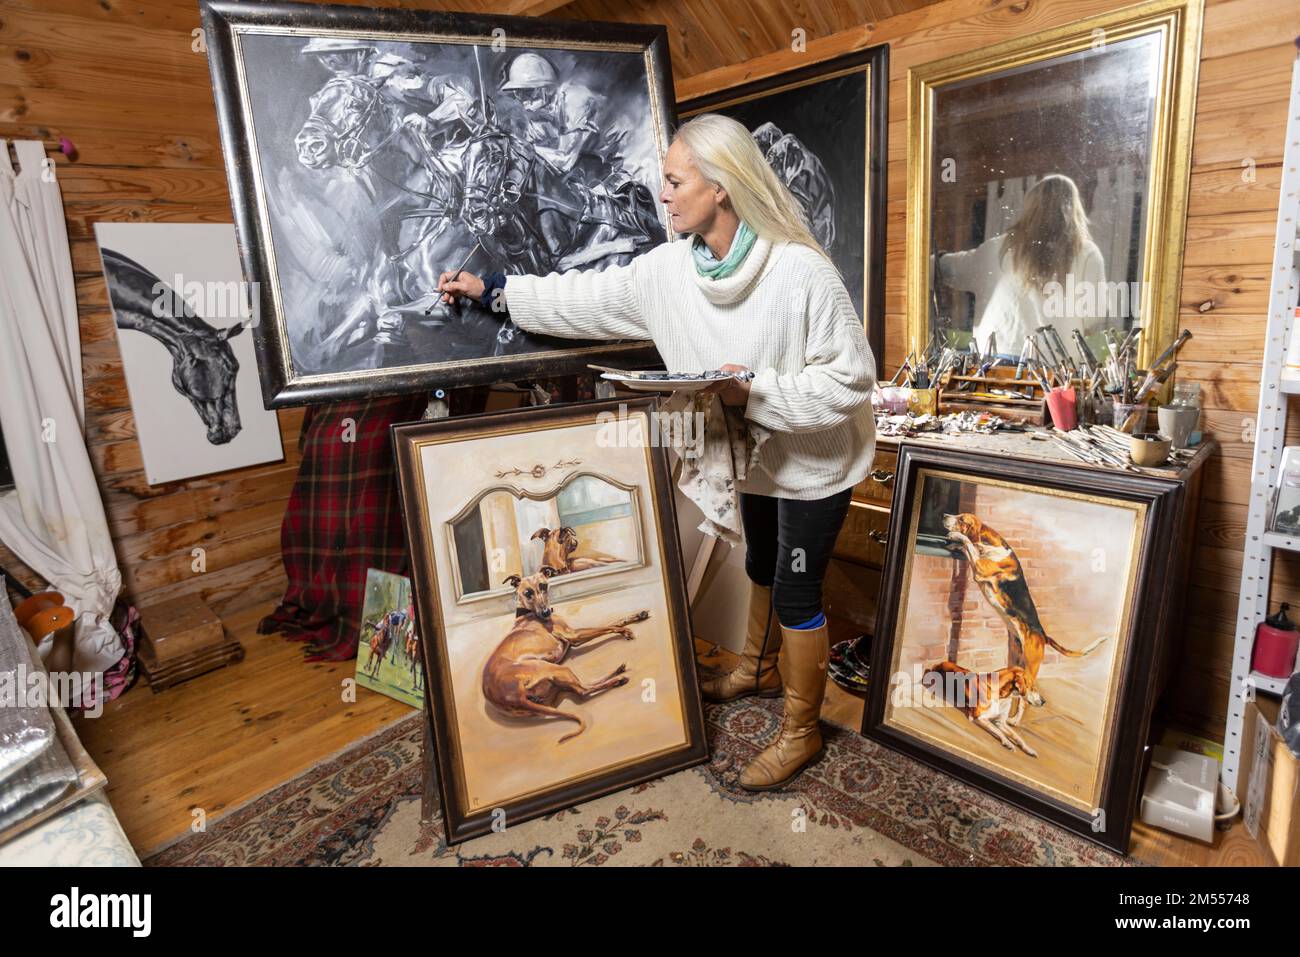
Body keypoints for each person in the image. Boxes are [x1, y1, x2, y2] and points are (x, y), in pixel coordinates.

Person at [436, 113, 877, 791]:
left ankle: (801, 729)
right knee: (761, 560)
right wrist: (493, 290)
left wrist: (751, 390)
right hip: (752, 457)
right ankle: (756, 670)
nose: (661, 195)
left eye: (674, 181)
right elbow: (582, 298)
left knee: (796, 588)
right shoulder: (668, 272)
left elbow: (850, 382)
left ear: (723, 186)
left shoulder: (800, 271)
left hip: (815, 459)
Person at [936, 173, 1106, 351]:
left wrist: (932, 261)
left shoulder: (998, 248)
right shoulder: (1087, 253)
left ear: (1030, 207)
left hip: (998, 358)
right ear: (1074, 208)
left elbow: (947, 269)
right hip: (1055, 364)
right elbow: (1093, 317)